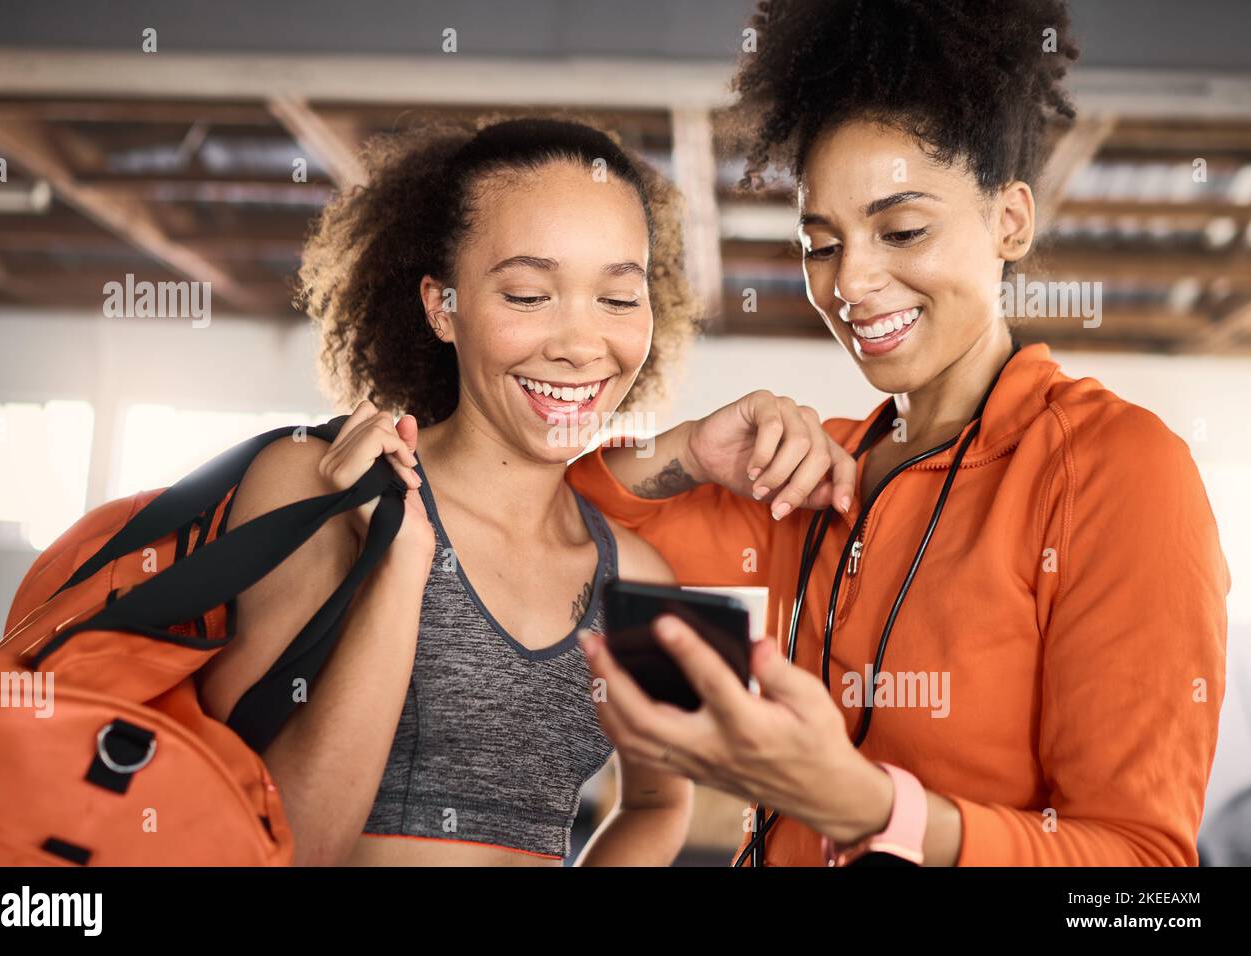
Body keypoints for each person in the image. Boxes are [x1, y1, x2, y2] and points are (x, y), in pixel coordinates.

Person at [567, 0, 1230, 866]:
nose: (853, 281)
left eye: (902, 229)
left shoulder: (1116, 470)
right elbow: (552, 522)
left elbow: (1142, 880)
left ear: (1011, 220)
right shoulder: (809, 473)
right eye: (821, 245)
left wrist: (875, 810)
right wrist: (689, 447)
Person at [197, 117, 700, 865]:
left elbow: (661, 801)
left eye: (619, 299)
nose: (580, 344)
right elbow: (284, 845)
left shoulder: (642, 580)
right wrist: (401, 563)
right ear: (442, 307)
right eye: (529, 295)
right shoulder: (319, 484)